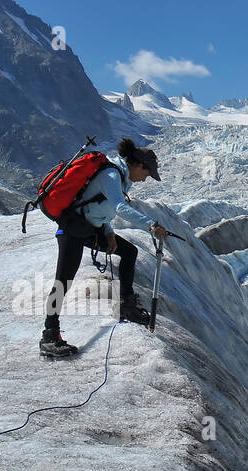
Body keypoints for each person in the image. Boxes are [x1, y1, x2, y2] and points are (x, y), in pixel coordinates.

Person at [40, 138, 169, 358]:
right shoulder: (111, 175)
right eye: (147, 174)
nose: (145, 179)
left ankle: (127, 306)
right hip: (73, 228)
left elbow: (97, 205)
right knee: (63, 281)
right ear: (138, 165)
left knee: (129, 251)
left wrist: (108, 232)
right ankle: (49, 336)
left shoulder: (118, 178)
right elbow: (119, 207)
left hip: (89, 228)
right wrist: (151, 225)